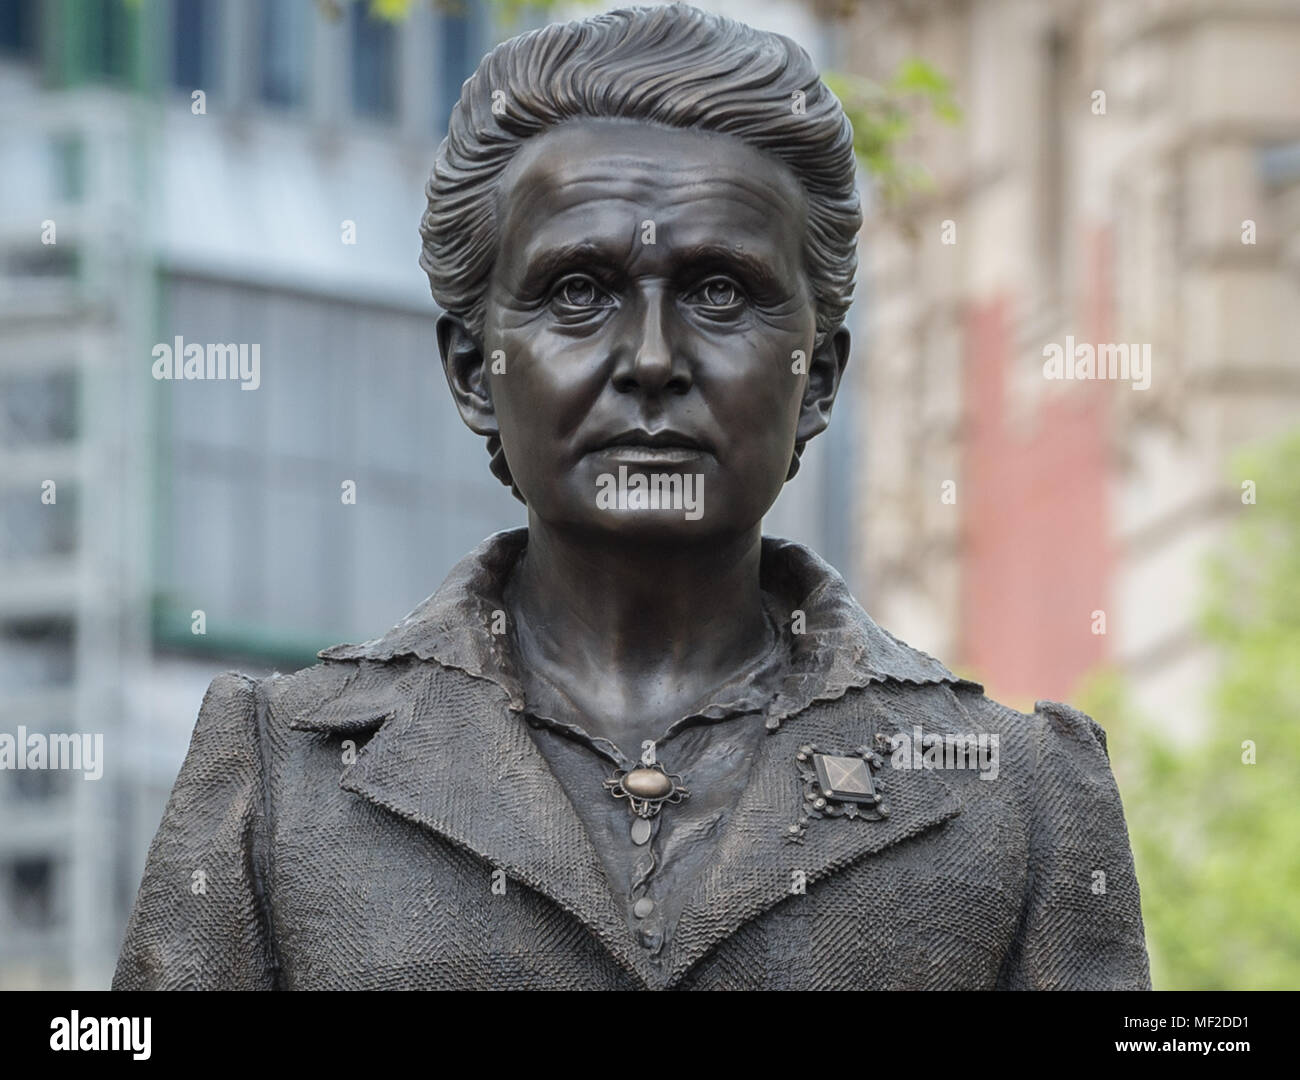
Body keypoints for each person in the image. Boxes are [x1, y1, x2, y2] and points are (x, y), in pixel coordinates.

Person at [114, 3, 1150, 990]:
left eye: (718, 293)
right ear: (476, 371)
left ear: (819, 377)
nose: (651, 360)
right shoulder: (279, 778)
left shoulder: (1015, 796)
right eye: (578, 292)